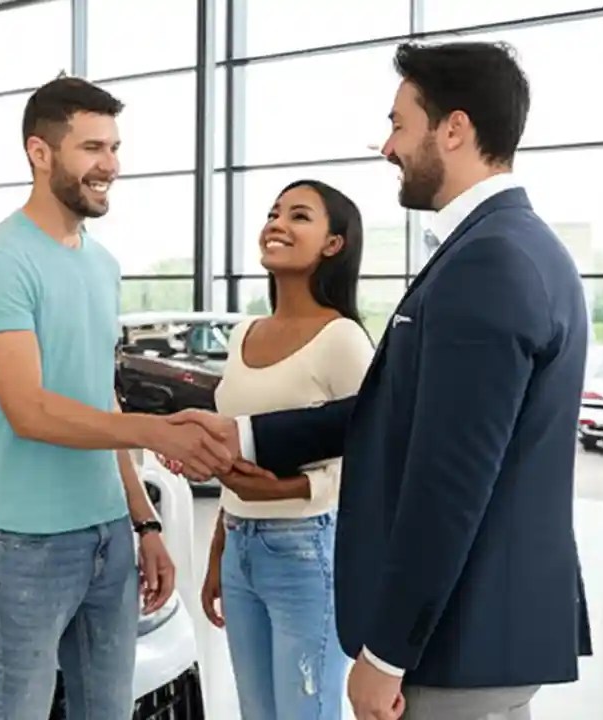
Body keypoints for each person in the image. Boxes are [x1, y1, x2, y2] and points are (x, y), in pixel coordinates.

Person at [169, 41, 593, 720]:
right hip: (481, 630)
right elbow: (395, 408)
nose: (387, 146)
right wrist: (240, 435)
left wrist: (387, 653)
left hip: (456, 640)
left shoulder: (488, 263)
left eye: (399, 124)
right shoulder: (507, 248)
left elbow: (449, 482)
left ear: (453, 129)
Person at [0, 76, 233, 720]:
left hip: (108, 534)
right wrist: (155, 432)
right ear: (40, 152)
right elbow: (29, 409)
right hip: (27, 544)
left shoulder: (101, 264)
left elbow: (97, 397)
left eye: (113, 147)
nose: (109, 165)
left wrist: (144, 520)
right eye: (91, 148)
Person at [196, 180, 373, 720]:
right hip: (240, 547)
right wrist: (218, 553)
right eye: (274, 213)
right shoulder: (245, 331)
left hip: (308, 549)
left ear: (333, 244)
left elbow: (378, 452)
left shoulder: (342, 338)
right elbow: (236, 455)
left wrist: (299, 487)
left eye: (299, 216)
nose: (277, 224)